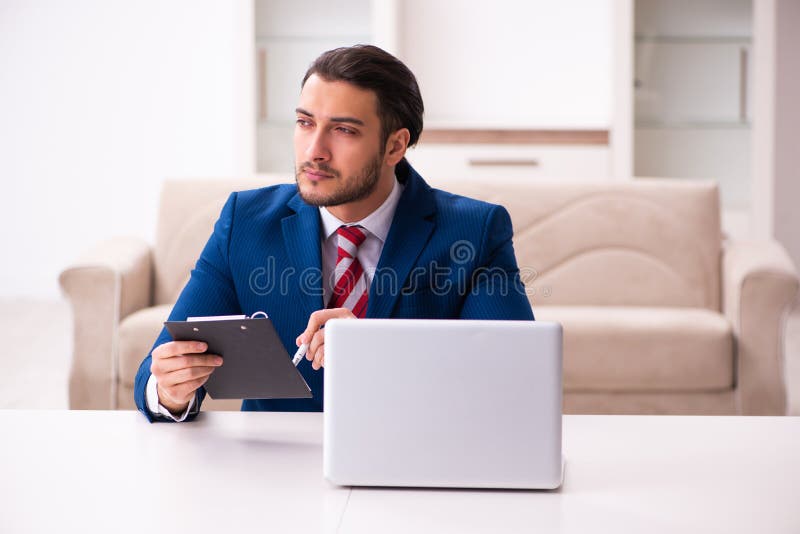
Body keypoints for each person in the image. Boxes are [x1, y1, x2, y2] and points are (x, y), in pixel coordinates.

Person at [134, 44, 534, 422]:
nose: (314, 150)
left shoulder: (474, 232)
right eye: (306, 123)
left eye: (343, 130)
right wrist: (170, 391)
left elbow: (515, 381)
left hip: (414, 465)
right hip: (274, 474)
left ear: (395, 146)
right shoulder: (247, 222)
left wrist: (382, 355)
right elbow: (156, 371)